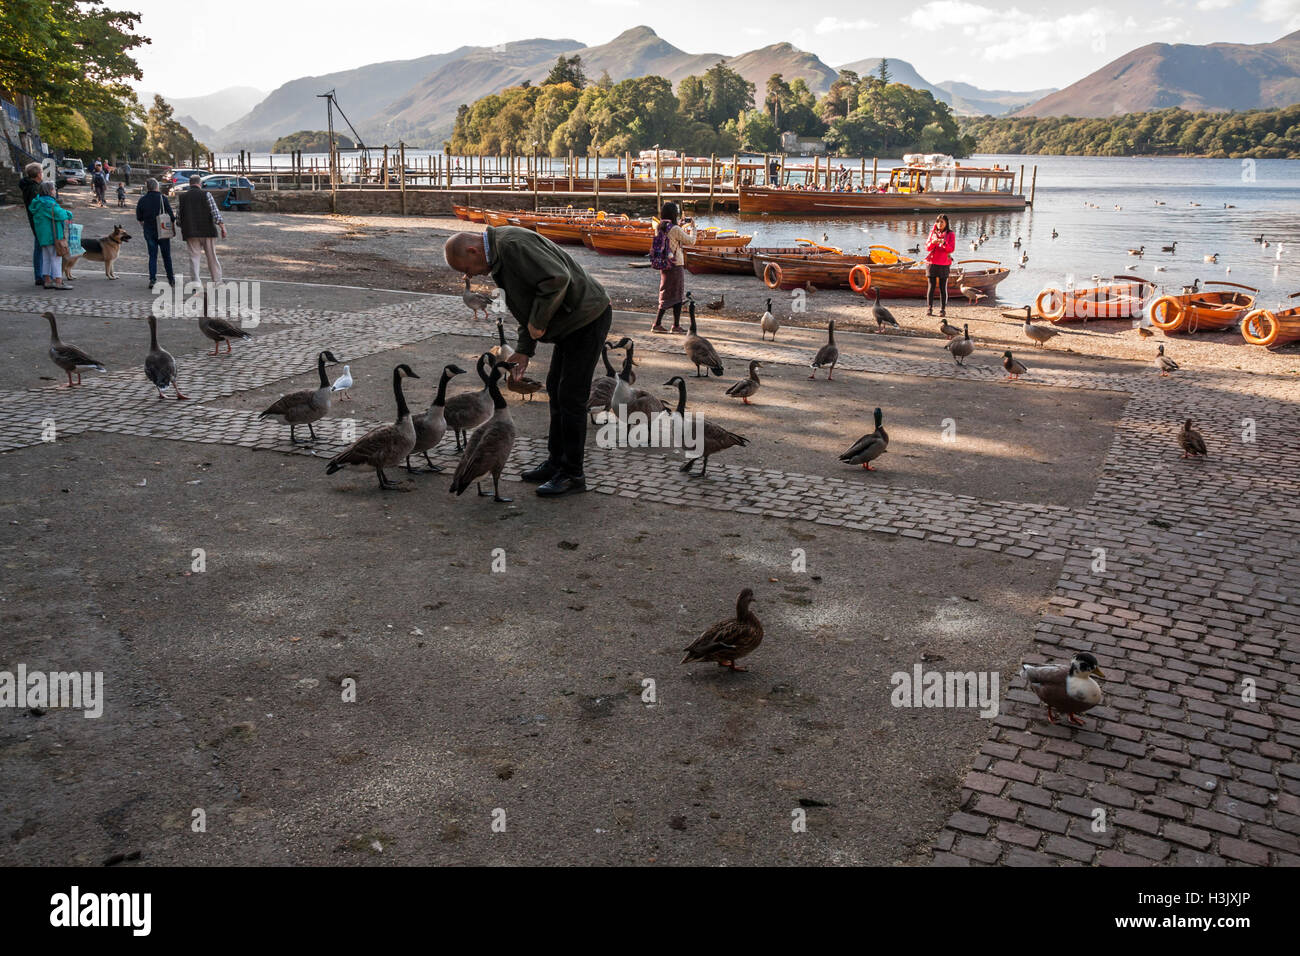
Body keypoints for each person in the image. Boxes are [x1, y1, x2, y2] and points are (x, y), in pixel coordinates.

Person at [443, 226, 612, 498]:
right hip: (572, 323)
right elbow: (528, 303)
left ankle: (572, 475)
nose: (471, 276)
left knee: (571, 397)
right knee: (556, 391)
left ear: (474, 250)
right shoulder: (499, 256)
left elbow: (557, 279)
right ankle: (556, 463)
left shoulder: (512, 246)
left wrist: (538, 323)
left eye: (469, 269)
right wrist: (524, 349)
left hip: (587, 318)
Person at [650, 201, 695, 334]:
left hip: (665, 264)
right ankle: (661, 324)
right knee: (677, 295)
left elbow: (670, 238)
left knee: (667, 293)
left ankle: (671, 325)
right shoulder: (675, 229)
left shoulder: (659, 226)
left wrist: (679, 226)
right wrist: (693, 228)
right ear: (674, 214)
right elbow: (691, 241)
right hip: (676, 265)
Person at [178, 174, 226, 288]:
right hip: (207, 230)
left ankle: (196, 283)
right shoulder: (206, 194)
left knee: (194, 259)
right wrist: (222, 227)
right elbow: (215, 212)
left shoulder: (183, 197)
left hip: (190, 232)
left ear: (190, 184)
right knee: (212, 257)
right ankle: (217, 281)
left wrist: (184, 226)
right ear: (200, 183)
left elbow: (179, 218)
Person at [29, 181, 73, 290]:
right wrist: (69, 213)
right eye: (53, 189)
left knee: (46, 258)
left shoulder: (37, 203)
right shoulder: (49, 204)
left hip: (42, 236)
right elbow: (61, 214)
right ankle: (58, 281)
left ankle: (47, 280)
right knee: (56, 258)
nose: (55, 191)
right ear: (49, 191)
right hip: (52, 236)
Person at [136, 178, 177, 288]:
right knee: (166, 256)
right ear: (157, 186)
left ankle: (152, 279)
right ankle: (171, 279)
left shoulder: (142, 200)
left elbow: (139, 217)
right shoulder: (162, 198)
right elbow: (171, 216)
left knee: (152, 256)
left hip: (149, 230)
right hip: (162, 229)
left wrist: (145, 227)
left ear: (147, 187)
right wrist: (172, 229)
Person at [924, 213, 956, 317]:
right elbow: (927, 248)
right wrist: (933, 242)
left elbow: (951, 249)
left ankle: (942, 310)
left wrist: (944, 243)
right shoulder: (932, 233)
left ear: (946, 223)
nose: (939, 224)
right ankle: (929, 309)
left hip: (944, 264)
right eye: (938, 221)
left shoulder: (950, 234)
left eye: (942, 222)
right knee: (931, 287)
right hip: (932, 263)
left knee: (943, 288)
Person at [20, 163, 45, 286]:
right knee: (40, 248)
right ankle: (40, 276)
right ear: (38, 174)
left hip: (36, 221)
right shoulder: (34, 189)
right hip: (39, 222)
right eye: (41, 171)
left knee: (39, 248)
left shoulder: (32, 186)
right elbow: (37, 207)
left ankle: (40, 275)